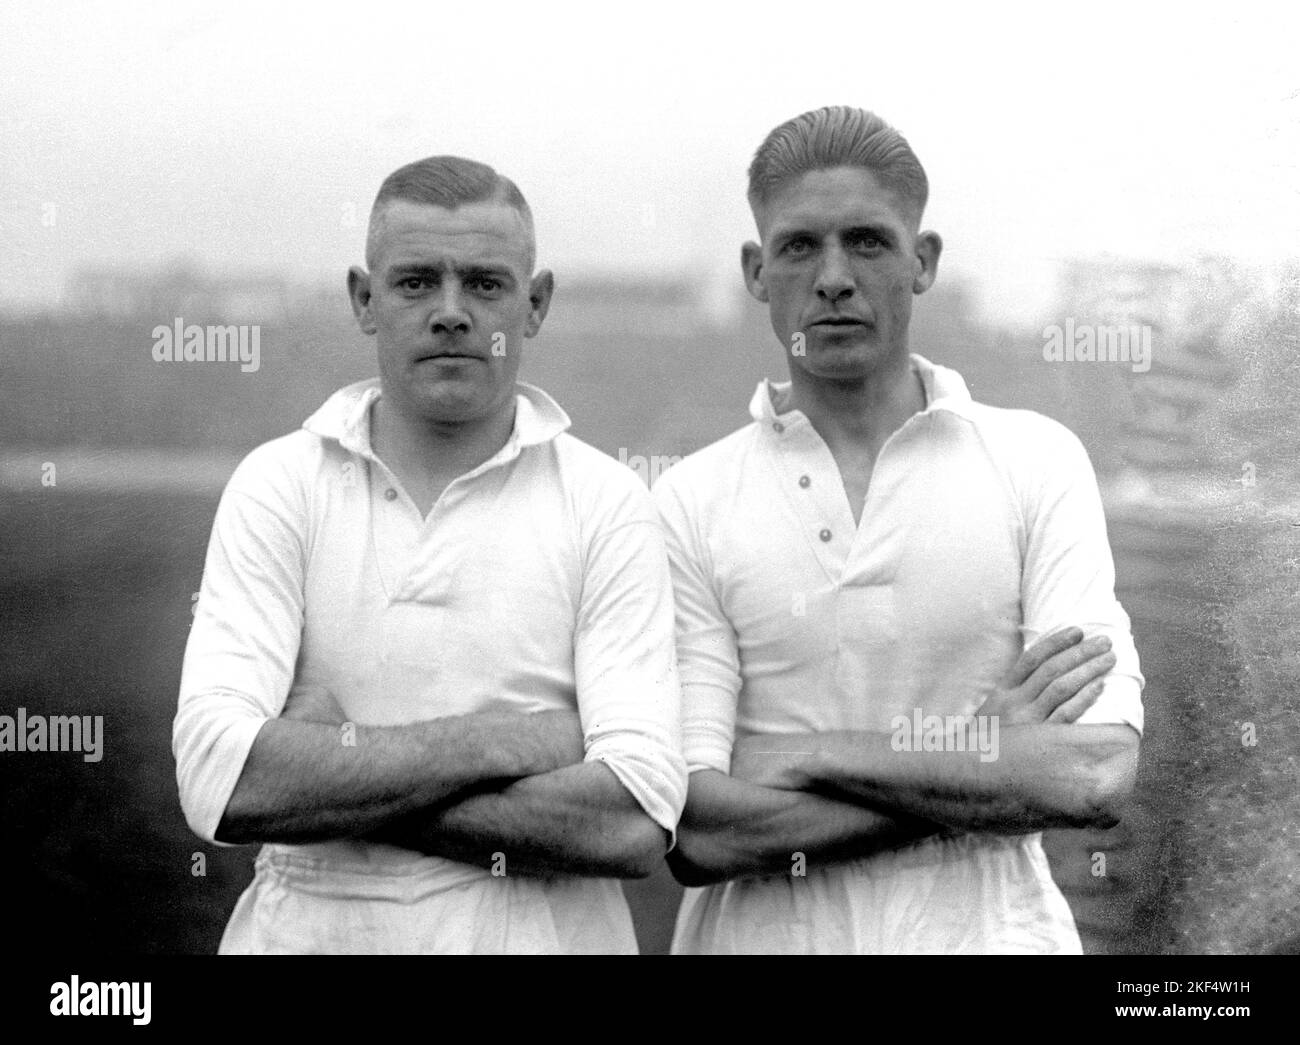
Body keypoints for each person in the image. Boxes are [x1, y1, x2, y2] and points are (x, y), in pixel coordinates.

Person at [653, 106, 1144, 954]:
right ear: (756, 269)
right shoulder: (687, 503)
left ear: (923, 262)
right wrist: (977, 754)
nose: (834, 277)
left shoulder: (1036, 461)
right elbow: (699, 834)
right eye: (800, 245)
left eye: (869, 242)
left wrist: (810, 755)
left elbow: (1092, 772)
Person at [173, 155, 686, 954]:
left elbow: (629, 824)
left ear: (536, 302)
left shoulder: (609, 503)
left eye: (485, 284)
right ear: (363, 298)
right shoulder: (279, 485)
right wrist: (511, 743)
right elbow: (225, 780)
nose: (451, 312)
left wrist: (328, 773)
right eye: (416, 282)